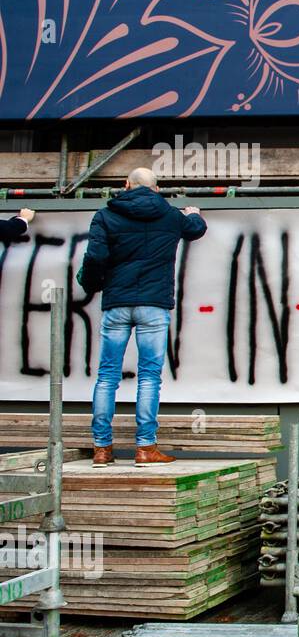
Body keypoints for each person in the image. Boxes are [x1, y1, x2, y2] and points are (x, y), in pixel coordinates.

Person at [77, 167, 206, 466]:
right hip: (154, 304)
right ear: (156, 189)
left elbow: (95, 257)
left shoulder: (106, 215)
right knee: (149, 376)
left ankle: (101, 449)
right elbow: (196, 230)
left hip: (117, 302)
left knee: (107, 376)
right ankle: (145, 448)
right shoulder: (171, 216)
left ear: (126, 185)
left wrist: (93, 283)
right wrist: (194, 213)